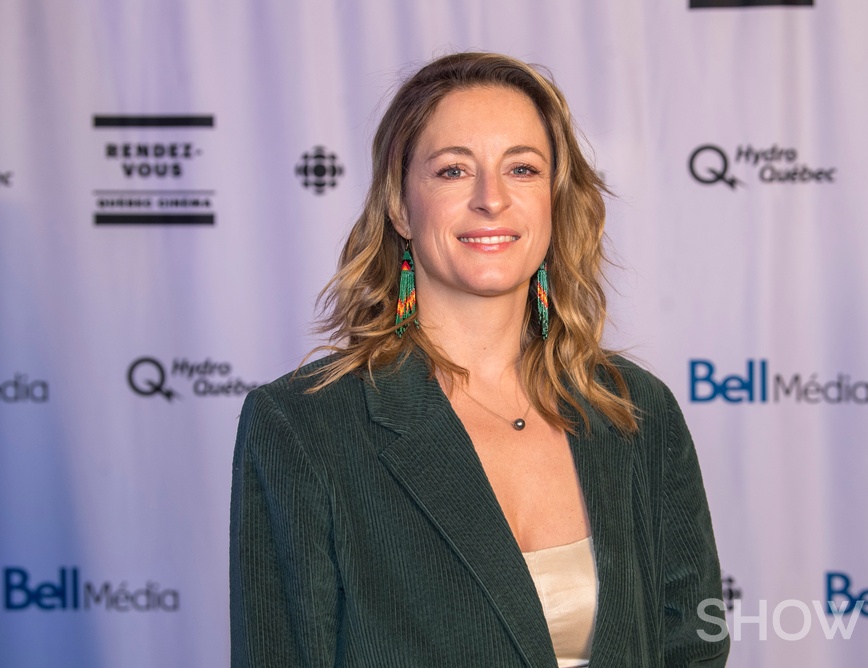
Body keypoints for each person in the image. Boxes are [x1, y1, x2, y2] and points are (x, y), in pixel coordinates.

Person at [230, 51, 730, 667]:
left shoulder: (634, 410)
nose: (491, 199)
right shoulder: (303, 425)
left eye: (522, 169)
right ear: (399, 206)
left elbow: (694, 646)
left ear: (554, 200)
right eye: (453, 171)